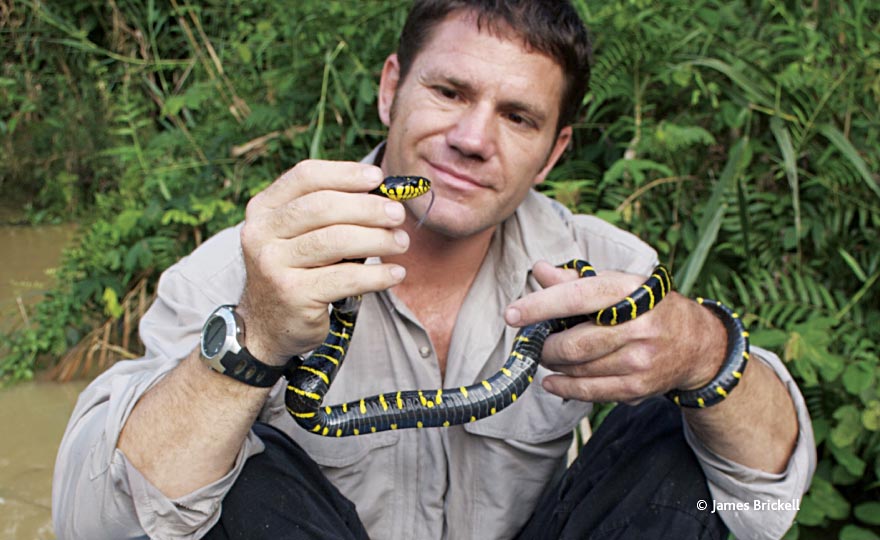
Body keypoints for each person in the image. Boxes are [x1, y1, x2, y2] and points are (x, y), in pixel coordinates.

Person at [53, 1, 816, 539]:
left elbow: (764, 509)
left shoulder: (607, 270)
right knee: (231, 459)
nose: (472, 140)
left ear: (553, 151)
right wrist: (251, 340)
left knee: (679, 432)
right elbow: (94, 528)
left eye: (517, 116)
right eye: (449, 91)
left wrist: (705, 351)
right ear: (391, 89)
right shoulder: (246, 268)